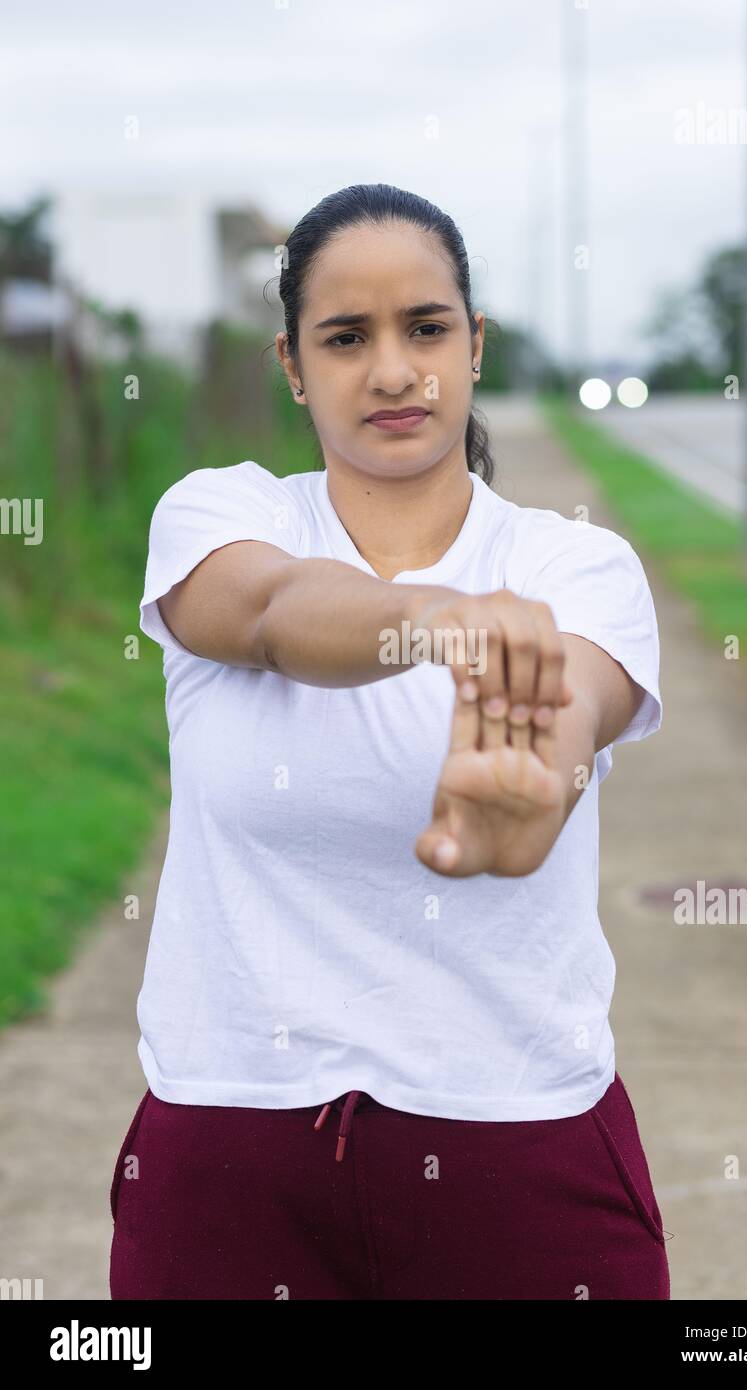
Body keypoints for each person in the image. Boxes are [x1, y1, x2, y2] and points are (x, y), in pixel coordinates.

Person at [109, 182, 670, 1301]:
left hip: (514, 1138)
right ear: (291, 365)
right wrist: (439, 621)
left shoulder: (573, 567)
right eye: (344, 336)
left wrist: (534, 788)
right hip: (232, 1146)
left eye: (425, 327)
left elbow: (578, 709)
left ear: (473, 345)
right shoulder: (221, 515)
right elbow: (267, 615)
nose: (391, 369)